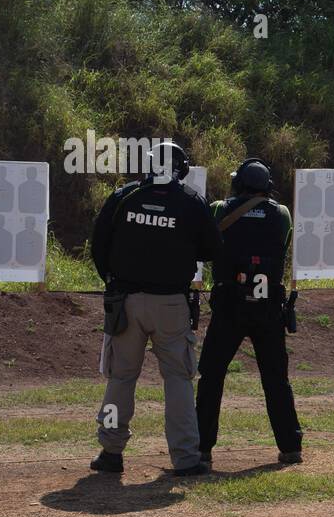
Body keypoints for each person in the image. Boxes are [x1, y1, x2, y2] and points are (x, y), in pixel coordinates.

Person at [90, 140, 223, 475]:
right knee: (178, 379)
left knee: (120, 378)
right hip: (171, 304)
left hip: (126, 301)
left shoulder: (124, 197)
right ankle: (186, 457)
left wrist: (113, 279)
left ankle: (110, 452)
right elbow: (212, 249)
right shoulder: (191, 201)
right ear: (182, 169)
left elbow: (99, 244)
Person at [195, 157, 303, 466]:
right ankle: (290, 445)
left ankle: (202, 448)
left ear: (238, 183)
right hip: (268, 306)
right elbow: (283, 242)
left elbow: (208, 240)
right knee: (276, 378)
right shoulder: (281, 214)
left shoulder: (220, 209)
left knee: (212, 376)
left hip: (230, 305)